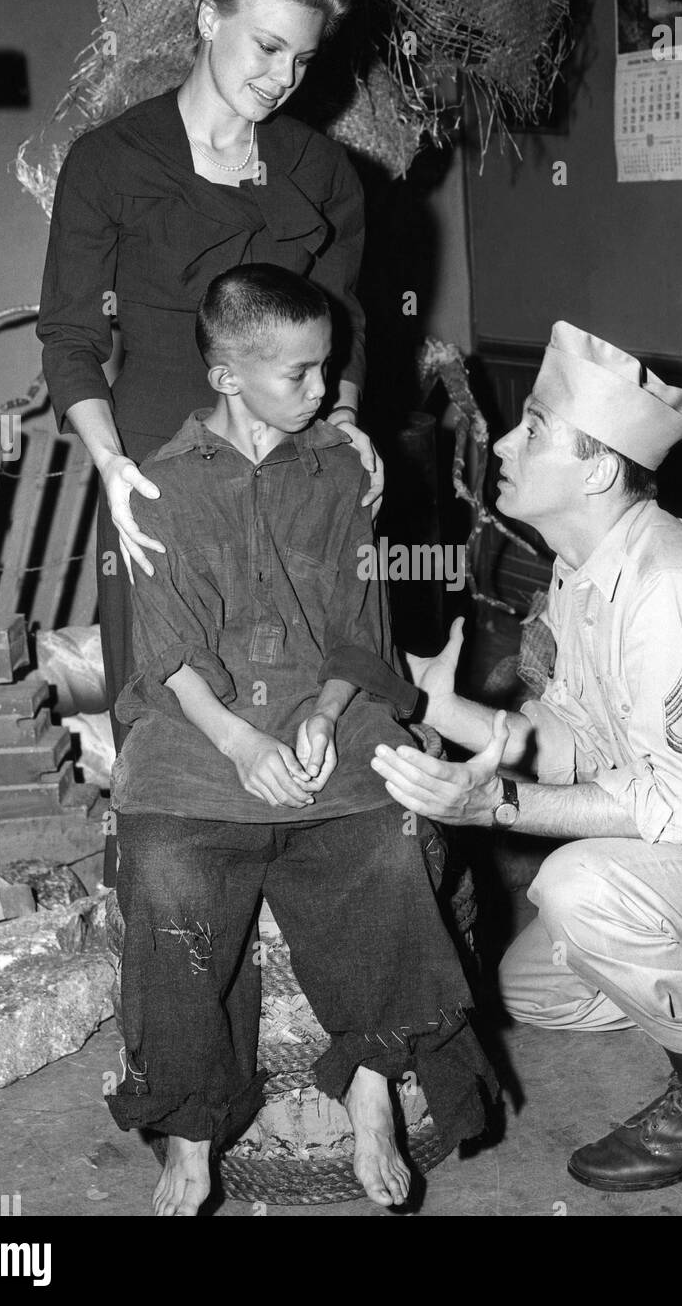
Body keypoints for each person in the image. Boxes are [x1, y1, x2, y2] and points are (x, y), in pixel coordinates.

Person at [372, 322, 682, 1194]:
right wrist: (436, 704)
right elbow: (575, 744)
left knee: (577, 888)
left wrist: (494, 805)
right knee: (533, 991)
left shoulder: (666, 588)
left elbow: (675, 809)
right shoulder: (584, 566)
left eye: (532, 428)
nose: (501, 441)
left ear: (599, 470)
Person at [106, 262, 495, 1215]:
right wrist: (243, 747)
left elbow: (361, 627)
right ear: (229, 377)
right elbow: (168, 658)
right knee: (167, 872)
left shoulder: (341, 471)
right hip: (202, 731)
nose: (325, 393)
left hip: (328, 709)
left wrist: (321, 715)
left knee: (386, 845)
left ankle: (370, 1087)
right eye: (301, 376)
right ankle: (192, 1130)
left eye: (327, 369)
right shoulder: (160, 486)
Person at [36, 0, 384, 883]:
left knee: (321, 673)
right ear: (205, 17)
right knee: (164, 689)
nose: (282, 77)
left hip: (294, 460)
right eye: (266, 46)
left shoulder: (320, 171)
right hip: (156, 462)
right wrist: (113, 469)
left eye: (304, 59)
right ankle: (162, 891)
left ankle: (318, 897)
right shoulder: (109, 162)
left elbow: (346, 321)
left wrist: (347, 422)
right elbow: (70, 336)